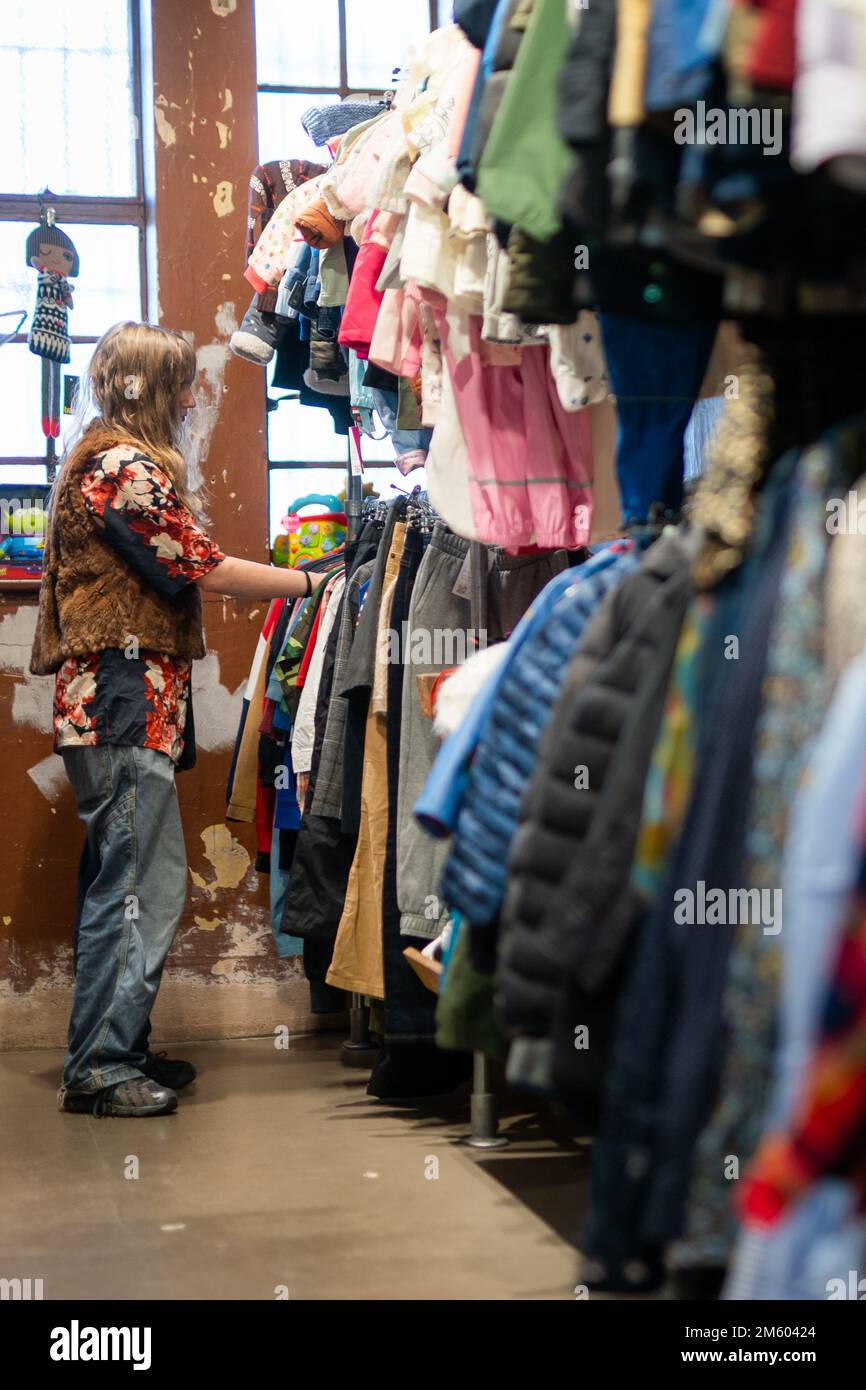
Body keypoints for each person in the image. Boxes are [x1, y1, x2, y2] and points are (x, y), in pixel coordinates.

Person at [30, 320, 325, 1118]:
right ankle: (101, 1069)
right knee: (142, 888)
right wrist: (313, 584)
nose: (195, 394)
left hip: (120, 701)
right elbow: (203, 564)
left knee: (122, 884)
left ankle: (115, 1045)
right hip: (121, 700)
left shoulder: (108, 456)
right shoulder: (124, 466)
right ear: (153, 388)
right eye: (184, 382)